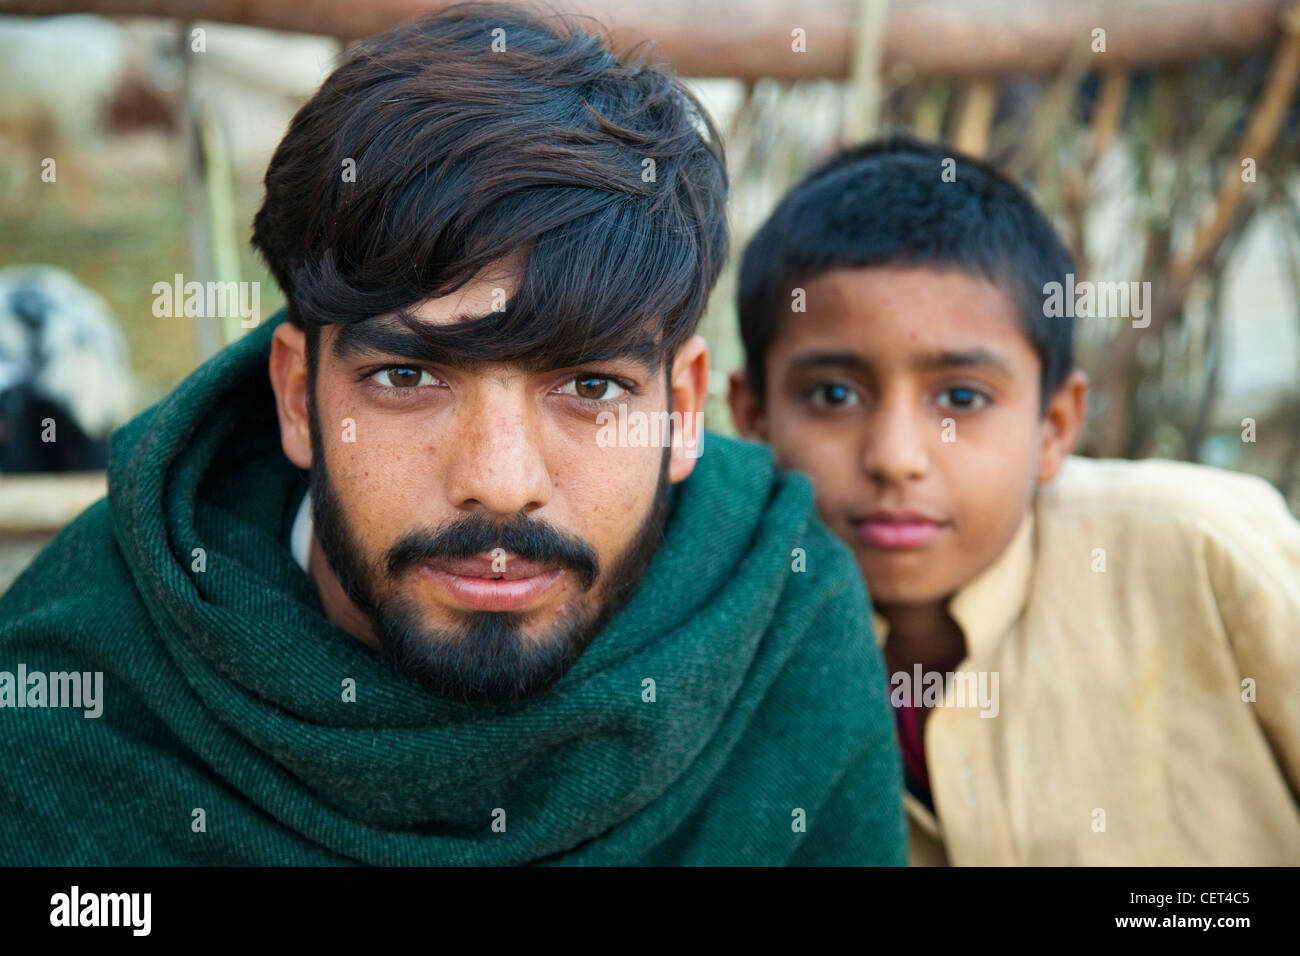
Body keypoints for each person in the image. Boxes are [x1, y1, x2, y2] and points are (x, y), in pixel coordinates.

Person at [0, 4, 905, 866]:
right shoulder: (74, 689)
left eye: (590, 385)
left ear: (682, 408)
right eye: (407, 378)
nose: (502, 483)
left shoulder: (782, 623)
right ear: (295, 396)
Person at [728, 134, 1300, 864]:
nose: (896, 457)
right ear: (753, 419)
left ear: (1056, 425)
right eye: (833, 394)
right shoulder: (727, 650)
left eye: (962, 397)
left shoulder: (1202, 552)